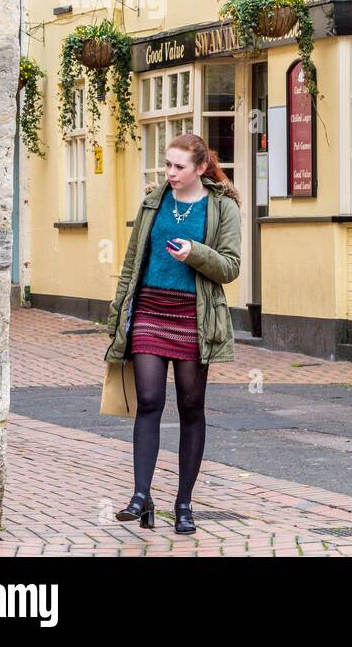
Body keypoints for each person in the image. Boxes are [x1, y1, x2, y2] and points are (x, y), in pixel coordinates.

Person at [102, 133, 241, 534]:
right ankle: (141, 496)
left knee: (190, 407)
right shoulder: (153, 200)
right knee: (147, 400)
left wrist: (195, 253)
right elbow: (132, 262)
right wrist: (118, 316)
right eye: (167, 164)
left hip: (193, 317)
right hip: (148, 309)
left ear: (200, 168)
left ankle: (183, 504)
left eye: (179, 167)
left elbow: (230, 267)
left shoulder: (222, 208)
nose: (171, 173)